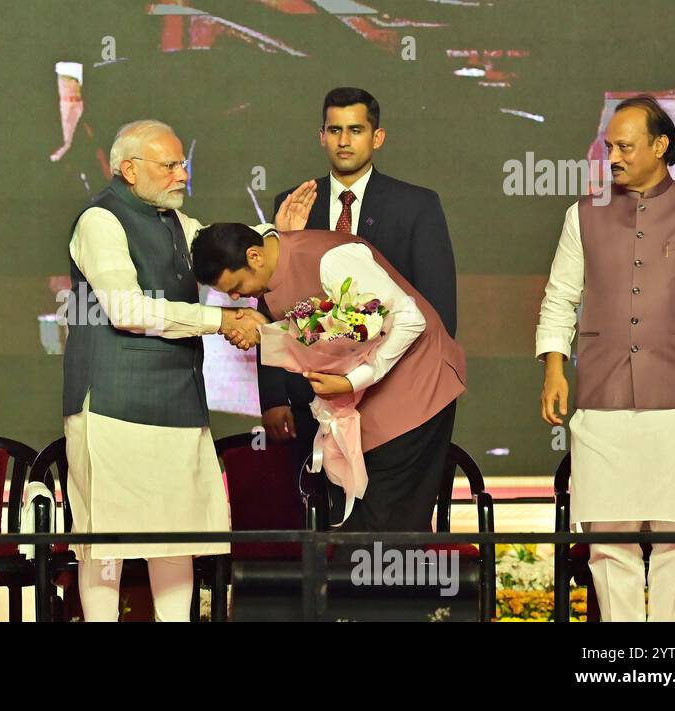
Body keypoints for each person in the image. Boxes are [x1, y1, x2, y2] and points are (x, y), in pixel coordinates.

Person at [62, 118, 313, 621]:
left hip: (178, 403)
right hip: (113, 406)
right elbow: (127, 311)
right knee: (106, 543)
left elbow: (226, 251)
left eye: (184, 163)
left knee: (176, 537)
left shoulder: (179, 223)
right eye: (171, 164)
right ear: (129, 170)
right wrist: (221, 320)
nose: (183, 173)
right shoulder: (100, 221)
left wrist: (275, 237)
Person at [536, 95, 675, 621]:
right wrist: (553, 367)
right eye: (610, 145)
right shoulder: (582, 215)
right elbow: (560, 296)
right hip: (602, 402)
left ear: (660, 146)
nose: (612, 155)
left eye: (625, 146)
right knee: (608, 544)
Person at [263, 88, 456, 524]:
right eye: (335, 130)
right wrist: (274, 394)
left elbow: (438, 313)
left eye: (356, 130)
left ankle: (392, 594)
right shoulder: (292, 206)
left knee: (389, 525)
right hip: (314, 398)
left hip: (396, 396)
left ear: (377, 137)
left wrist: (373, 380)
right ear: (321, 137)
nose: (344, 140)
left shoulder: (417, 205)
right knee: (325, 525)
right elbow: (272, 308)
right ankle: (333, 595)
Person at [192, 223, 465, 532]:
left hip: (416, 393)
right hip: (360, 411)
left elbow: (409, 320)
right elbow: (317, 331)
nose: (237, 297)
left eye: (236, 287)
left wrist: (353, 381)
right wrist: (264, 331)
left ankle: (394, 578)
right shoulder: (267, 259)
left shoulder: (331, 259)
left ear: (254, 256)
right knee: (359, 528)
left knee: (388, 527)